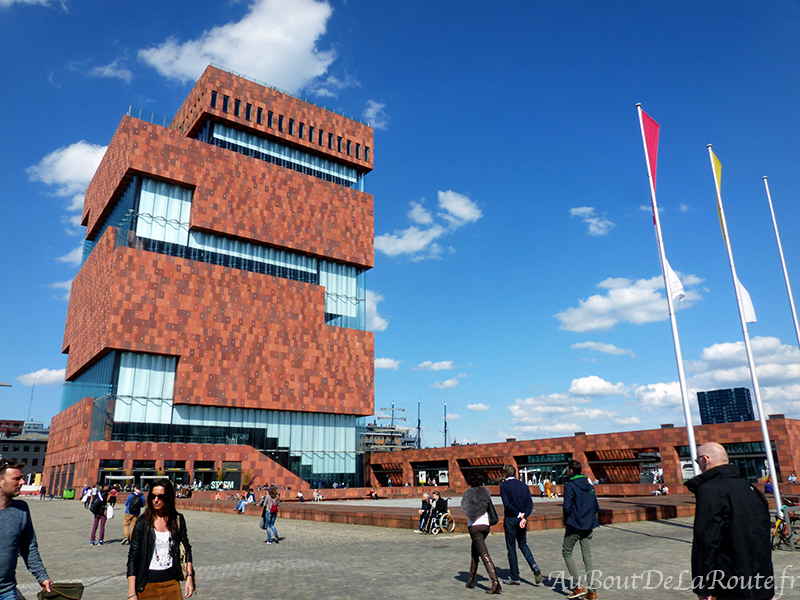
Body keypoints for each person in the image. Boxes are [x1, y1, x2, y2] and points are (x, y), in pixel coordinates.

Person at [686, 442, 773, 600]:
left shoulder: (710, 490)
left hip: (728, 584)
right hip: (761, 582)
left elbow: (706, 540)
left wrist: (703, 586)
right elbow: (763, 536)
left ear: (705, 460)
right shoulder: (751, 488)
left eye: (697, 461)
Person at [127, 479, 194, 600]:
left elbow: (186, 548)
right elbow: (133, 557)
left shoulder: (177, 520)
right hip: (147, 586)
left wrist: (189, 577)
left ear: (168, 497)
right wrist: (131, 593)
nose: (156, 500)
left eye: (160, 496)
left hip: (172, 584)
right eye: (153, 496)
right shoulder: (142, 523)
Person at [0, 461, 53, 599]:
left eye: (22, 478)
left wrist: (42, 577)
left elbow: (28, 546)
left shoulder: (21, 509)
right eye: (16, 478)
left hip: (6, 590)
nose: (22, 482)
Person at [499, 464, 543, 586]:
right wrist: (525, 517)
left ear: (505, 473)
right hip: (522, 519)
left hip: (511, 518)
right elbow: (530, 504)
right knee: (523, 543)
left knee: (511, 548)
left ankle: (515, 576)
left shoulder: (504, 486)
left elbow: (507, 504)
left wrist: (518, 515)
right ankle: (534, 566)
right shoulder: (523, 485)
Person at [562, 460, 600, 600]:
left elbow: (567, 507)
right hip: (589, 524)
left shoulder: (569, 485)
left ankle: (578, 586)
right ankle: (592, 591)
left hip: (575, 524)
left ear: (571, 470)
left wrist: (568, 520)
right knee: (587, 556)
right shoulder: (589, 484)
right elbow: (596, 505)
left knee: (567, 551)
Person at [460, 471, 501, 594]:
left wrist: (472, 514)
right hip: (485, 525)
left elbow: (465, 507)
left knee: (483, 553)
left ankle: (495, 583)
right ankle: (471, 580)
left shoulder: (468, 493)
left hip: (474, 526)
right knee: (475, 551)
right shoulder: (485, 492)